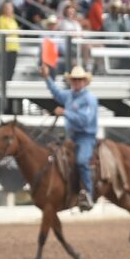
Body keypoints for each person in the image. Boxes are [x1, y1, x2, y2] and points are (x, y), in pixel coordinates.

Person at [45, 65, 100, 211]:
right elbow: (56, 93)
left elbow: (85, 120)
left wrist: (65, 112)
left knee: (82, 161)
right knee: (55, 157)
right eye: (74, 80)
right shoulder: (69, 95)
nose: (76, 82)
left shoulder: (89, 99)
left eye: (79, 80)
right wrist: (46, 77)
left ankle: (89, 194)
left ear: (84, 82)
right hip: (72, 137)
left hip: (86, 137)